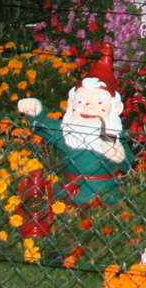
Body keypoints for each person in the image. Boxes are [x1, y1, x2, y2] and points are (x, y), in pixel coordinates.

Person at [16, 56, 131, 204]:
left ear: (116, 108)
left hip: (106, 193)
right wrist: (35, 111)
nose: (88, 106)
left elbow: (128, 164)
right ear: (71, 104)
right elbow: (41, 125)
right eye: (81, 101)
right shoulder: (65, 132)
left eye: (99, 102)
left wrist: (119, 156)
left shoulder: (114, 136)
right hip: (69, 192)